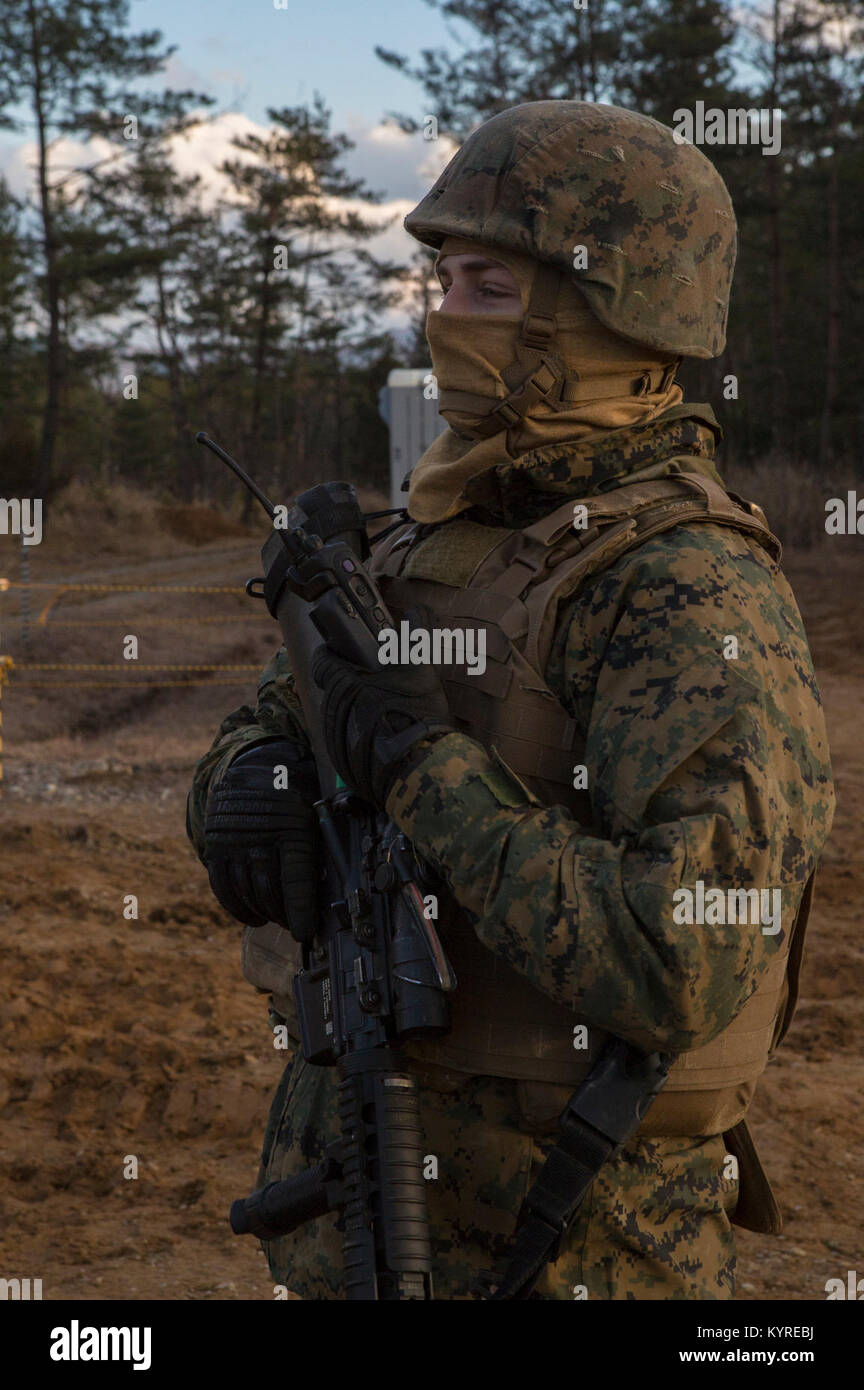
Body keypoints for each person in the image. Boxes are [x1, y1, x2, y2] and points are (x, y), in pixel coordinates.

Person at [187, 101, 834, 1300]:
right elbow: (270, 724)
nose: (443, 316)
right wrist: (243, 788)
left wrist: (422, 771)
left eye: (485, 286)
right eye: (439, 280)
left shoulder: (686, 587)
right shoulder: (438, 538)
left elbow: (679, 959)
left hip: (575, 1248)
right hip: (359, 1211)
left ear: (598, 314)